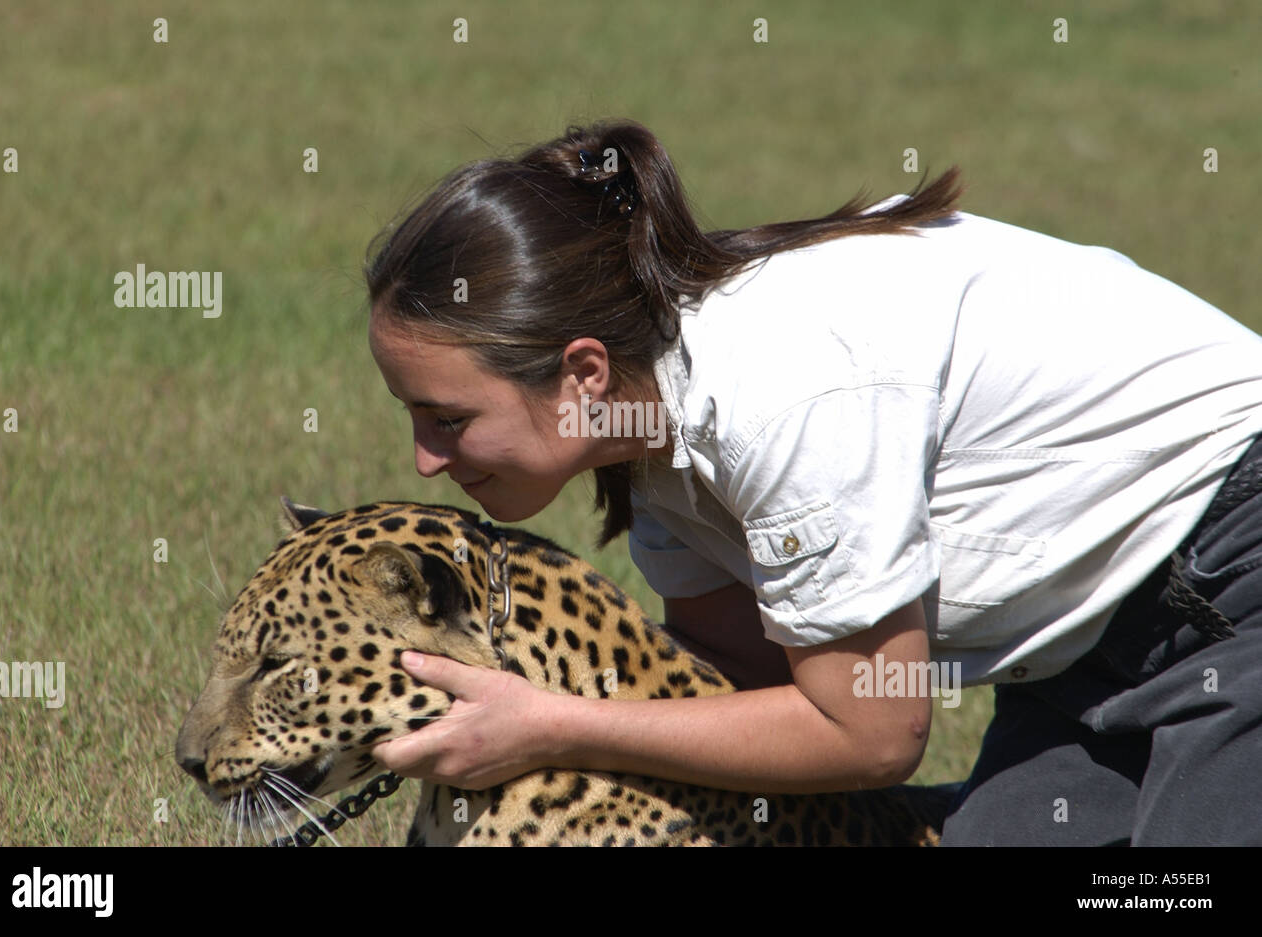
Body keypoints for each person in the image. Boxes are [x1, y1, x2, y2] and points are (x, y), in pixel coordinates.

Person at [362, 118, 1262, 845]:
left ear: (584, 373)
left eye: (449, 418)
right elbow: (734, 689)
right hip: (1079, 652)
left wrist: (556, 723)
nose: (425, 461)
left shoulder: (781, 397)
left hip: (1230, 563)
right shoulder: (648, 442)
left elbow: (872, 733)